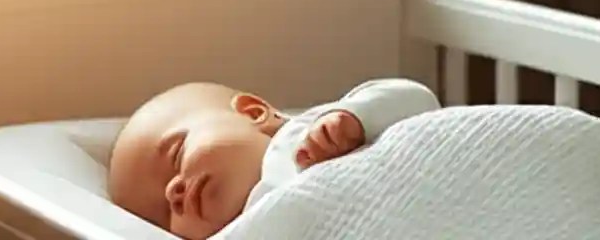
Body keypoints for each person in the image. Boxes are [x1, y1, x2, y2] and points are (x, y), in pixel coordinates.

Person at [107, 79, 440, 239]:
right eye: (161, 218)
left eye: (177, 155)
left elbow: (421, 103)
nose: (172, 192)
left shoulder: (307, 134)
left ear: (253, 113)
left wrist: (355, 116)